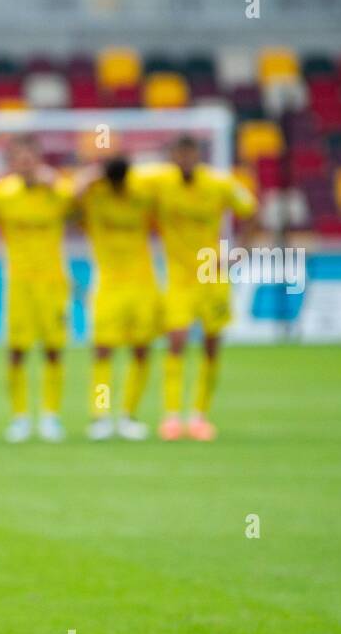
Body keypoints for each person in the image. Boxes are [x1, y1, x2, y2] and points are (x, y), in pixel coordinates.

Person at [154, 136, 257, 441]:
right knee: (177, 340)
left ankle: (200, 416)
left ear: (198, 156)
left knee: (212, 345)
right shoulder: (158, 183)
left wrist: (240, 251)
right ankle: (172, 416)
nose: (185, 159)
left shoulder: (219, 184)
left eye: (190, 154)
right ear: (172, 156)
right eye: (179, 154)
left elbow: (252, 211)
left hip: (212, 275)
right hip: (178, 278)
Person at [0, 136, 73, 443]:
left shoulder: (56, 191)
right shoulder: (2, 194)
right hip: (18, 283)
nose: (25, 164)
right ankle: (20, 417)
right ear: (12, 163)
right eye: (19, 159)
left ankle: (51, 416)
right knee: (17, 351)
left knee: (53, 350)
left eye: (30, 159)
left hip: (53, 283)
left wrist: (57, 181)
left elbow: (81, 197)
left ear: (39, 160)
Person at [75, 155, 160, 441]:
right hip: (108, 284)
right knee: (103, 351)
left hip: (142, 284)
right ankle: (100, 416)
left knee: (140, 350)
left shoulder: (141, 195)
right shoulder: (93, 197)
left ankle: (127, 416)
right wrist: (90, 176)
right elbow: (70, 200)